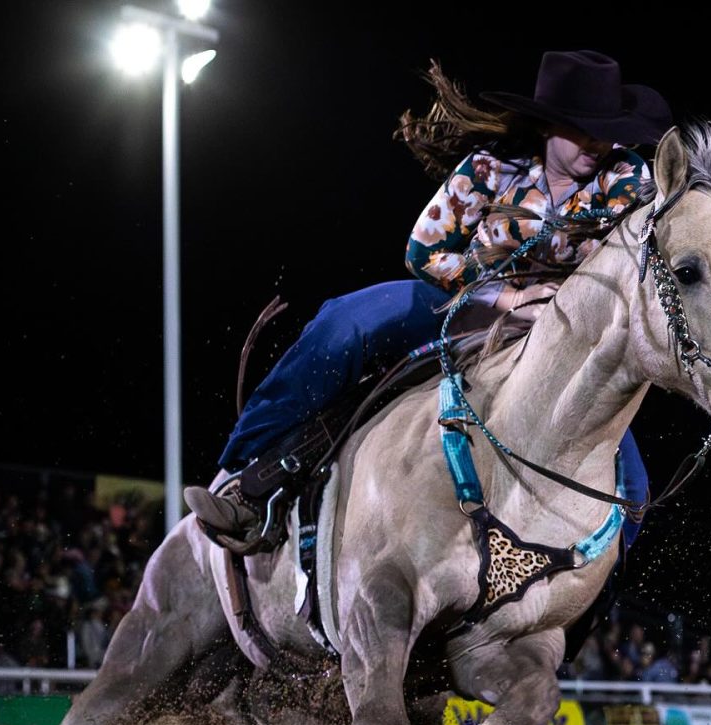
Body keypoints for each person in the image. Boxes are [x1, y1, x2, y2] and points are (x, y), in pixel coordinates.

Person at [185, 50, 672, 555]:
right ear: (550, 126)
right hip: (462, 308)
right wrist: (509, 297)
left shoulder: (628, 182)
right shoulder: (491, 166)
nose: (598, 142)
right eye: (583, 129)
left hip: (559, 336)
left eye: (606, 129)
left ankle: (578, 615)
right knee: (345, 324)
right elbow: (425, 251)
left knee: (632, 493)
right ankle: (245, 476)